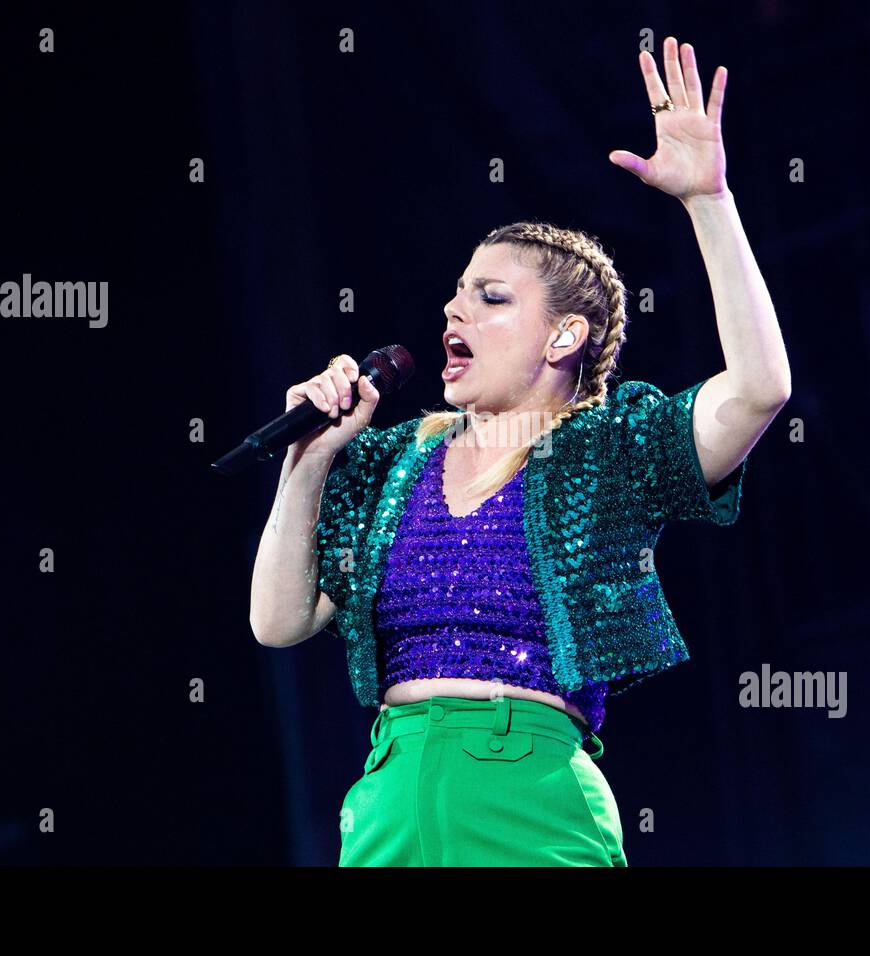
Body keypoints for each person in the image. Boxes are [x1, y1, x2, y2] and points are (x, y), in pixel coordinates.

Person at [249, 36, 790, 866]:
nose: (455, 311)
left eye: (491, 297)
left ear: (565, 335)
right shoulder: (393, 461)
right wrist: (311, 459)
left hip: (528, 794)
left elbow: (759, 389)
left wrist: (708, 202)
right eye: (457, 294)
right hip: (390, 792)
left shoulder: (611, 450)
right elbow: (279, 623)